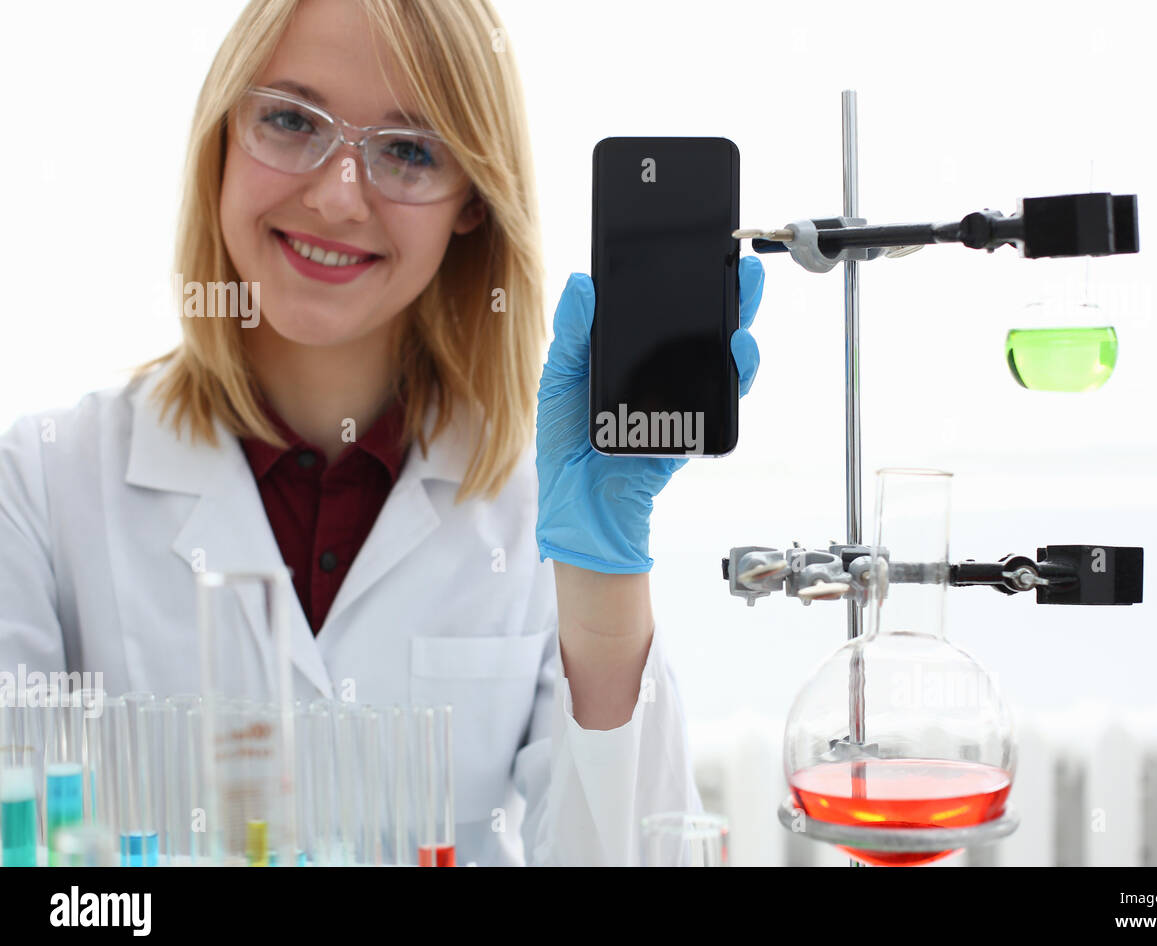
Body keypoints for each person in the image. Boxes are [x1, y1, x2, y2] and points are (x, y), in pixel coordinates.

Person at [0, 0, 762, 865]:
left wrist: (603, 580)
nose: (336, 197)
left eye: (407, 150)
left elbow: (638, 858)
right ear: (220, 136)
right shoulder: (41, 484)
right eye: (290, 120)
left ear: (473, 201)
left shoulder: (537, 508)